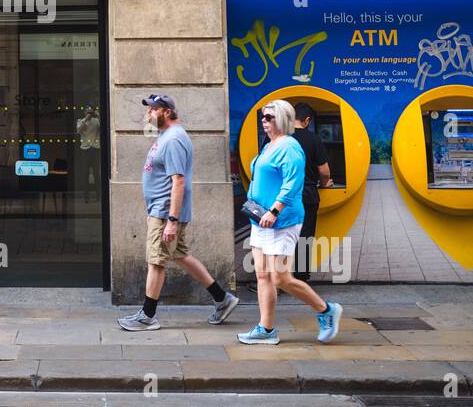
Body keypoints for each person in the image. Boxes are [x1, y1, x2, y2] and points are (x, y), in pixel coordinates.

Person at [118, 94, 240, 332]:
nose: (148, 114)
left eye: (152, 110)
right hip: (162, 209)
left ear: (166, 111)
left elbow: (178, 181)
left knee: (156, 261)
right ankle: (222, 298)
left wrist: (171, 220)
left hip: (165, 212)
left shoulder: (173, 139)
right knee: (180, 255)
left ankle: (147, 316)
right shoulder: (166, 136)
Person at [238, 99, 342, 345]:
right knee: (262, 274)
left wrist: (274, 210)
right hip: (261, 219)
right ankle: (266, 329)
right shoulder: (271, 145)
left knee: (281, 278)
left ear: (283, 119)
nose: (264, 121)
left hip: (281, 221)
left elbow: (292, 182)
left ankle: (326, 310)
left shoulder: (290, 146)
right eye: (262, 117)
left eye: (269, 117)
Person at [291, 103, 333, 283]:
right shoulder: (313, 140)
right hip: (307, 195)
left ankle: (278, 277)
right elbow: (324, 172)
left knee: (281, 236)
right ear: (307, 120)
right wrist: (326, 183)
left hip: (281, 199)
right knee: (304, 236)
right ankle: (300, 278)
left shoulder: (276, 137)